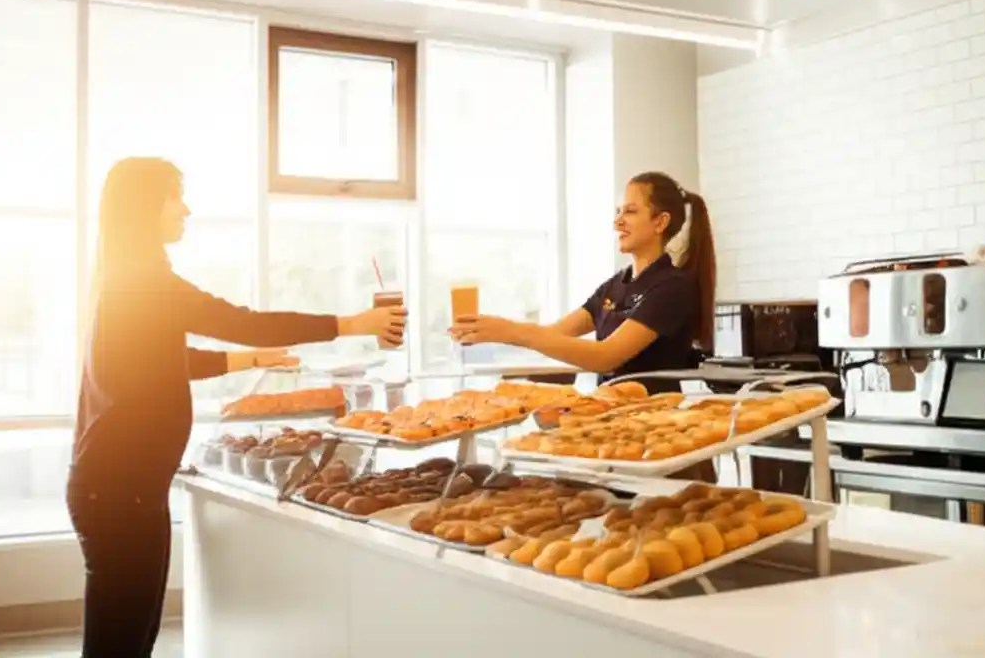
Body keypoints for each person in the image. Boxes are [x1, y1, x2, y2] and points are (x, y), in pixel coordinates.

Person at [67, 157, 405, 658]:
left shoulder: (126, 278)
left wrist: (248, 359)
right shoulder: (140, 280)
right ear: (144, 207)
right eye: (174, 196)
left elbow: (165, 359)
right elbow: (241, 320)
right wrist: (351, 324)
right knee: (122, 641)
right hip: (120, 492)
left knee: (132, 637)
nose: (186, 209)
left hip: (120, 488)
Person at [451, 171, 715, 395]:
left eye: (631, 211)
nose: (618, 221)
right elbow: (556, 334)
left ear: (660, 221)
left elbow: (605, 356)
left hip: (657, 426)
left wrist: (513, 331)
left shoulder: (672, 287)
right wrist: (494, 332)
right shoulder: (616, 284)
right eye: (618, 211)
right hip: (612, 418)